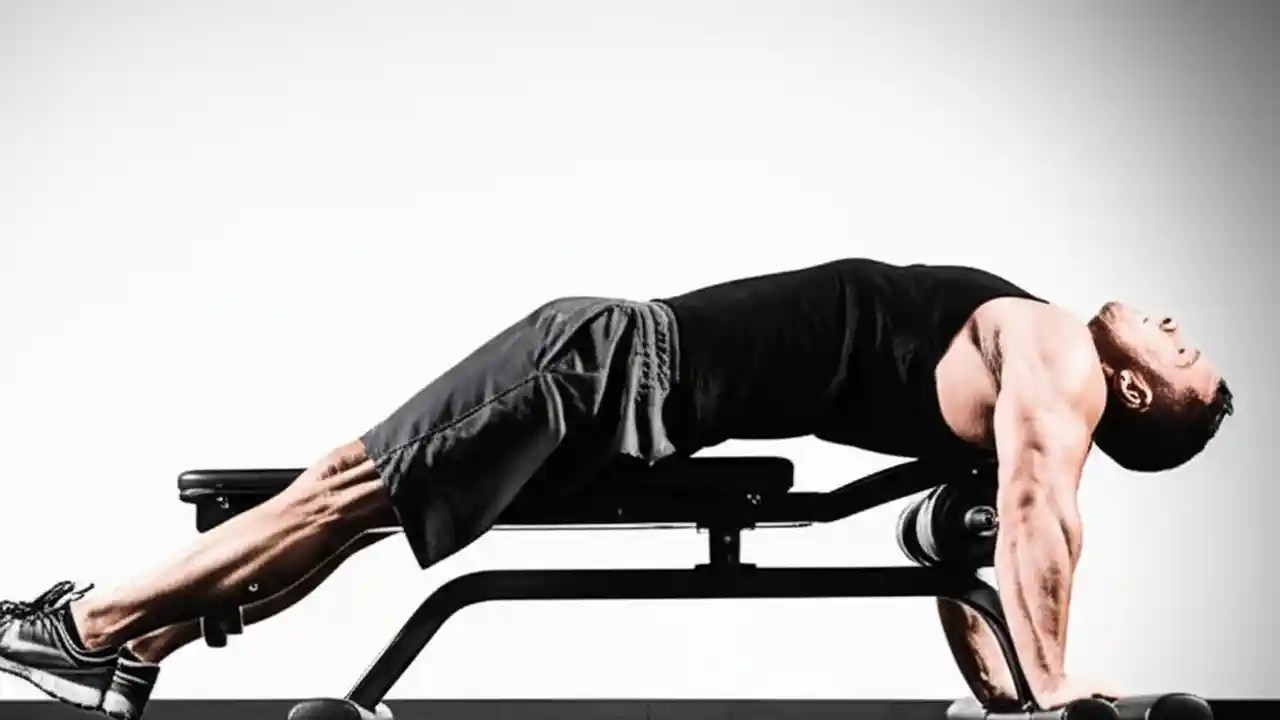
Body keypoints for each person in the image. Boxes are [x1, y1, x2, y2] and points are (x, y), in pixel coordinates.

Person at [0, 258, 1233, 719]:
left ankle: (87, 629)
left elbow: (1028, 514)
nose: (1168, 324)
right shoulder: (1030, 381)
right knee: (362, 508)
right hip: (623, 394)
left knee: (344, 491)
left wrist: (1052, 687)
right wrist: (1016, 697)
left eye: (1178, 352)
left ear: (1132, 398)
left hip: (604, 364)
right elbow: (971, 554)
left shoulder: (1059, 364)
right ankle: (132, 643)